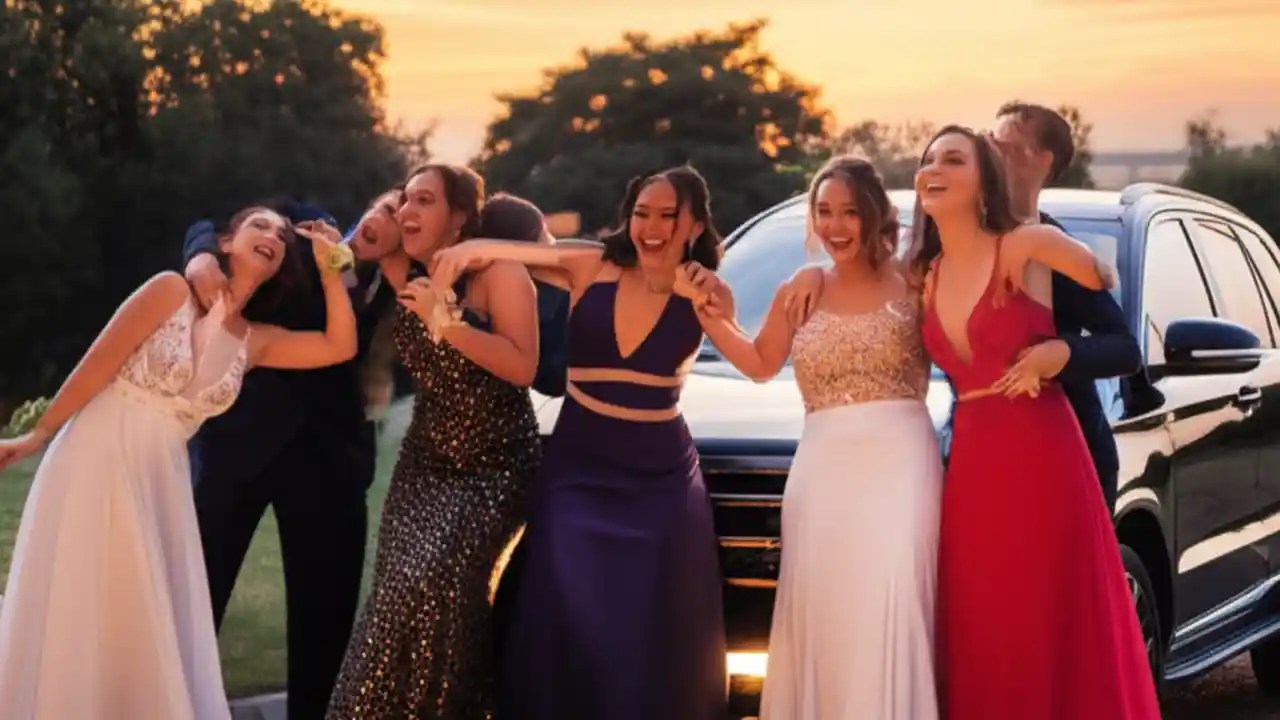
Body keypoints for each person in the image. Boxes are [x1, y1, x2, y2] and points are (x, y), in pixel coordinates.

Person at [0, 208, 356, 720]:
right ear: (227, 242)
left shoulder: (256, 341)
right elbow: (99, 361)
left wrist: (330, 267)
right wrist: (41, 431)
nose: (273, 237)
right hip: (99, 453)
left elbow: (338, 346)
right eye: (260, 225)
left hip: (162, 478)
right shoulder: (170, 290)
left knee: (138, 612)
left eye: (282, 236)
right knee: (82, 598)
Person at [430, 164, 730, 720]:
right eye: (642, 213)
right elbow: (520, 250)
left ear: (693, 225)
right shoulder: (592, 264)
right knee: (568, 602)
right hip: (581, 463)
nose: (652, 225)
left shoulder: (708, 291)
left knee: (647, 629)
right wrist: (462, 253)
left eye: (668, 215)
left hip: (660, 477)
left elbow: (747, 350)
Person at [910, 125, 1159, 719]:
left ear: (984, 181)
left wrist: (1059, 352)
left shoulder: (1022, 246)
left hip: (1043, 457)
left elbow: (1104, 281)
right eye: (927, 160)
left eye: (953, 158)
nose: (934, 168)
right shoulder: (925, 276)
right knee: (986, 623)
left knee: (1051, 616)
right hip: (970, 468)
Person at [695, 156, 941, 719]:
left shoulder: (917, 281)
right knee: (827, 609)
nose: (835, 226)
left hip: (901, 461)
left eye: (850, 212)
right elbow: (760, 363)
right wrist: (713, 321)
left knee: (891, 597)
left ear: (876, 215)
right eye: (824, 212)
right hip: (823, 471)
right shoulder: (800, 289)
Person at [326, 164, 542, 718]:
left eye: (425, 200)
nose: (410, 212)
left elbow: (522, 366)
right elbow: (354, 253)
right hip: (426, 461)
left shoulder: (500, 271)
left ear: (461, 215)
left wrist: (445, 318)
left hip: (495, 464)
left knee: (446, 591)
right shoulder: (406, 271)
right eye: (405, 203)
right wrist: (344, 241)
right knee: (393, 600)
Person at [181, 199, 384, 720]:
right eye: (387, 204)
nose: (391, 218)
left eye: (407, 212)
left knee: (323, 631)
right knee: (193, 599)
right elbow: (212, 219)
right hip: (235, 451)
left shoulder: (410, 283)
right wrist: (200, 254)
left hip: (330, 465)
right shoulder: (305, 228)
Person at [989, 101, 1143, 510]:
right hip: (979, 450)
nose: (990, 155)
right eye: (988, 144)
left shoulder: (1060, 250)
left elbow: (1126, 349)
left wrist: (1060, 353)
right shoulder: (956, 240)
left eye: (1004, 147)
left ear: (1042, 161)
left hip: (1074, 453)